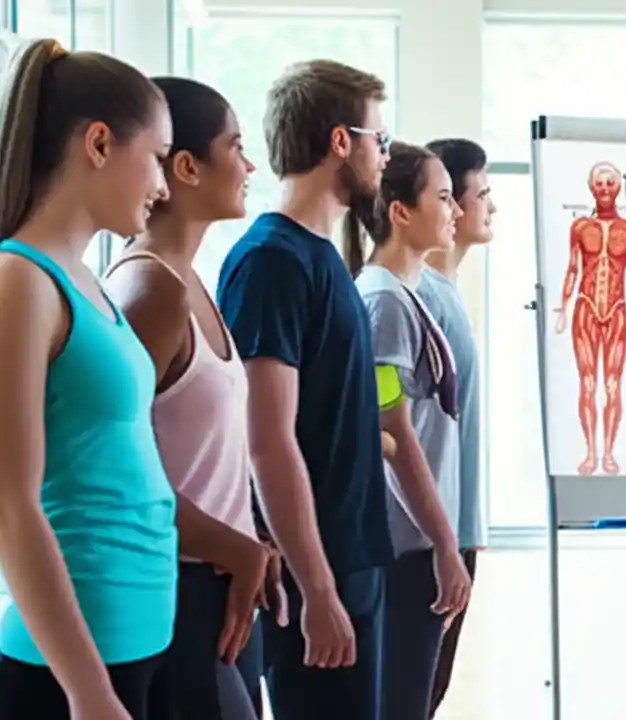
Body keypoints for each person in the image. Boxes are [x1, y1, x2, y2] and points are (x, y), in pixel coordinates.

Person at [0, 39, 178, 719]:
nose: (163, 186)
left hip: (134, 637)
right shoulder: (20, 280)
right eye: (157, 157)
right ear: (99, 144)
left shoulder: (85, 281)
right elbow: (10, 503)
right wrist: (87, 691)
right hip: (71, 666)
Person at [102, 76, 286, 720]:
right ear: (185, 167)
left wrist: (251, 536)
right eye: (235, 147)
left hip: (225, 582)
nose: (249, 166)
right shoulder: (149, 291)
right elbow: (118, 472)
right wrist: (233, 546)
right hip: (181, 585)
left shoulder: (189, 282)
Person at [215, 58, 393, 720]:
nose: (384, 155)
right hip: (318, 571)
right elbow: (267, 440)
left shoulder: (323, 256)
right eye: (379, 138)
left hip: (353, 557)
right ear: (340, 141)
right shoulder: (272, 261)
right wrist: (316, 587)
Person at [344, 140, 471, 720]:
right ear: (400, 211)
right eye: (443, 198)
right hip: (405, 545)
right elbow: (391, 430)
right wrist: (444, 541)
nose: (455, 211)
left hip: (418, 541)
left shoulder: (405, 295)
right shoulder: (384, 302)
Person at [421, 137, 495, 717]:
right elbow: (400, 421)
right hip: (431, 533)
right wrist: (445, 538)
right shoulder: (418, 295)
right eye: (482, 193)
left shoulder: (447, 293)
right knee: (417, 693)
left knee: (432, 690)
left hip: (456, 528)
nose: (491, 206)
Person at [552, 160, 626, 475]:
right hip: (585, 308)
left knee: (612, 385)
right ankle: (590, 452)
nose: (605, 189)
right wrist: (562, 307)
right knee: (587, 384)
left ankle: (608, 452)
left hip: (616, 310)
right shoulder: (580, 227)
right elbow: (573, 268)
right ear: (591, 188)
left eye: (610, 183)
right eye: (599, 184)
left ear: (619, 187)